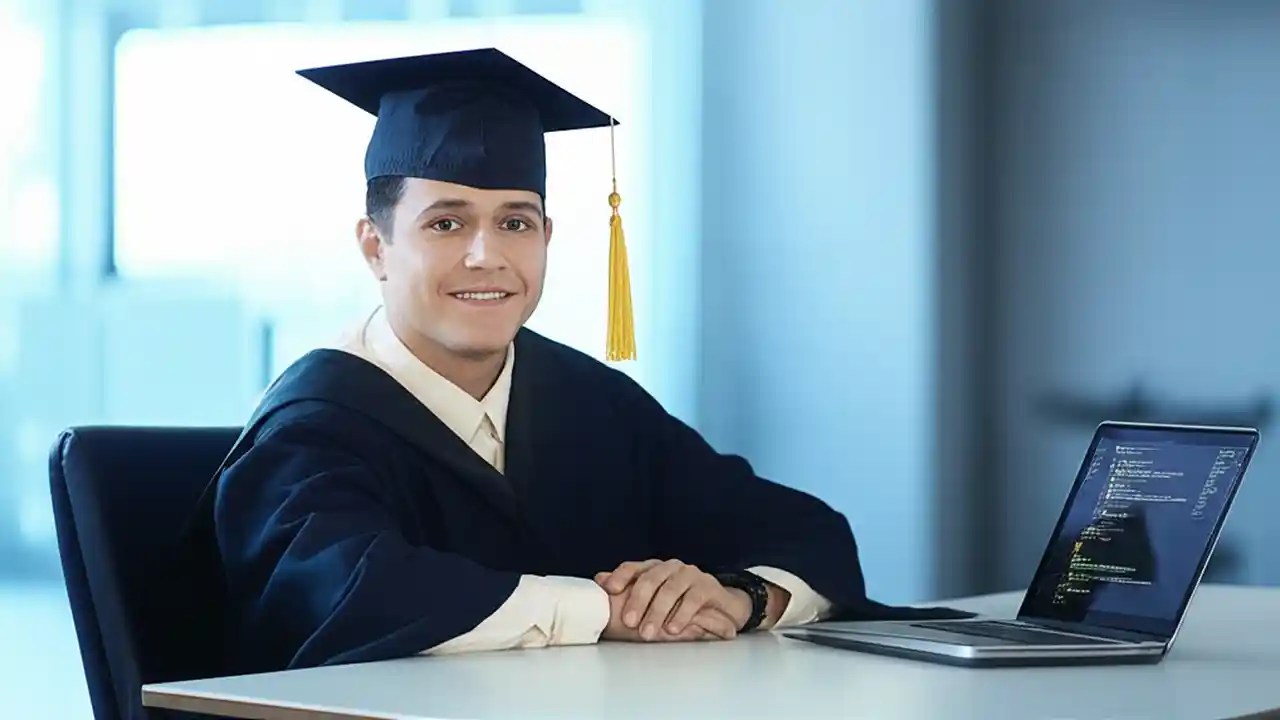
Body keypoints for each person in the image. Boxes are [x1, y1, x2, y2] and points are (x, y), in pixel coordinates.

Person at [180, 48, 963, 676]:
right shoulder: (315, 424)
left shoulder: (589, 401)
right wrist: (604, 608)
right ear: (375, 246)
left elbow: (804, 530)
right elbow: (353, 596)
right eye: (446, 222)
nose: (488, 256)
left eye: (515, 222)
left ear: (547, 239)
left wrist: (736, 596)